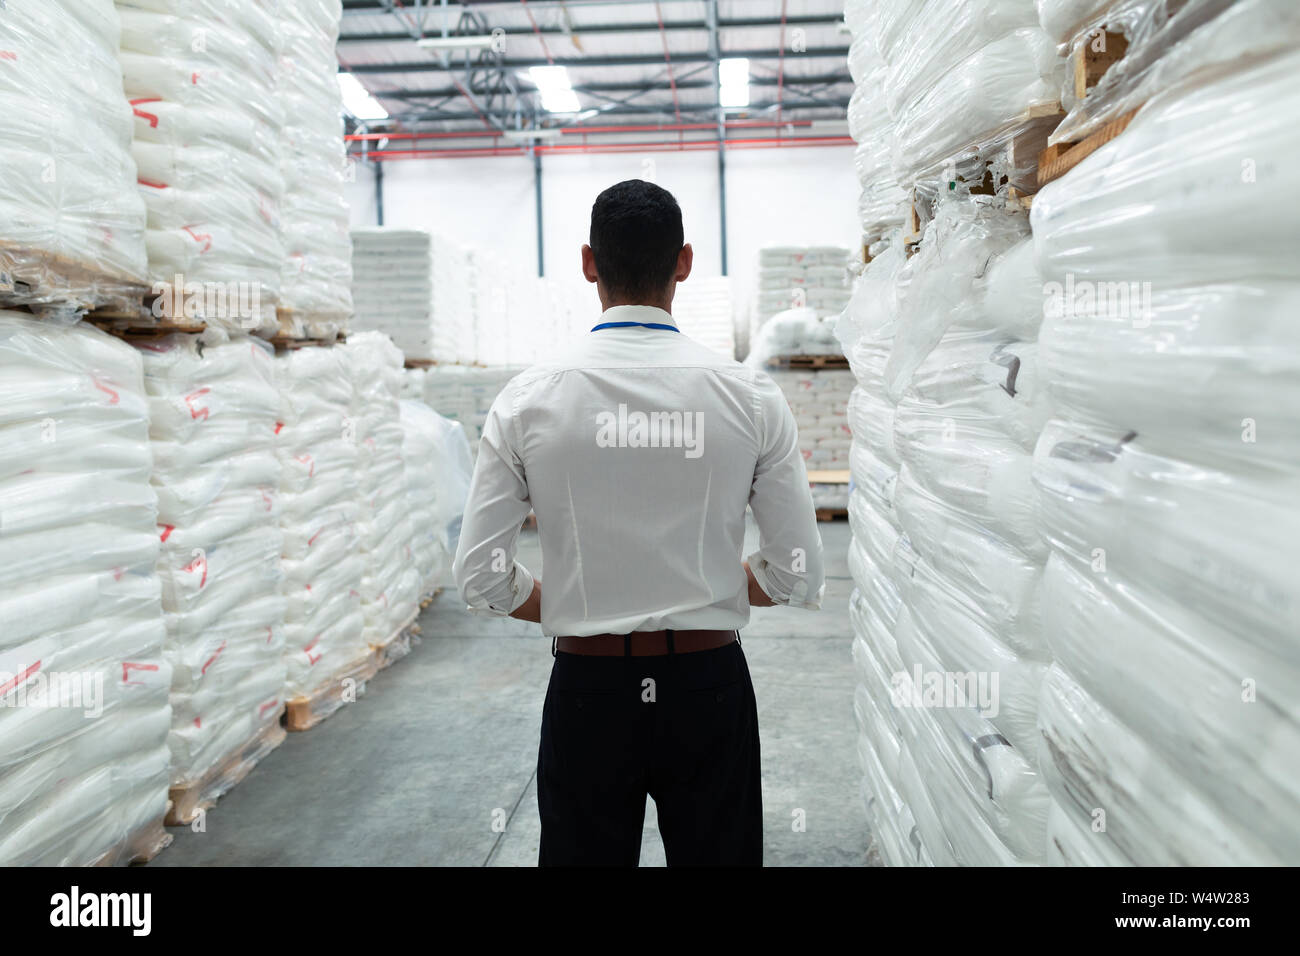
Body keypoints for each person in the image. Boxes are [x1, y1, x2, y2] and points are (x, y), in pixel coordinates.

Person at [452, 179, 824, 867]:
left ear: (589, 262)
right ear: (683, 262)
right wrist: (709, 588)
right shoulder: (748, 397)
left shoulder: (530, 399)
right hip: (709, 685)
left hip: (589, 693)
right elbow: (798, 570)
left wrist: (568, 603)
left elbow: (479, 576)